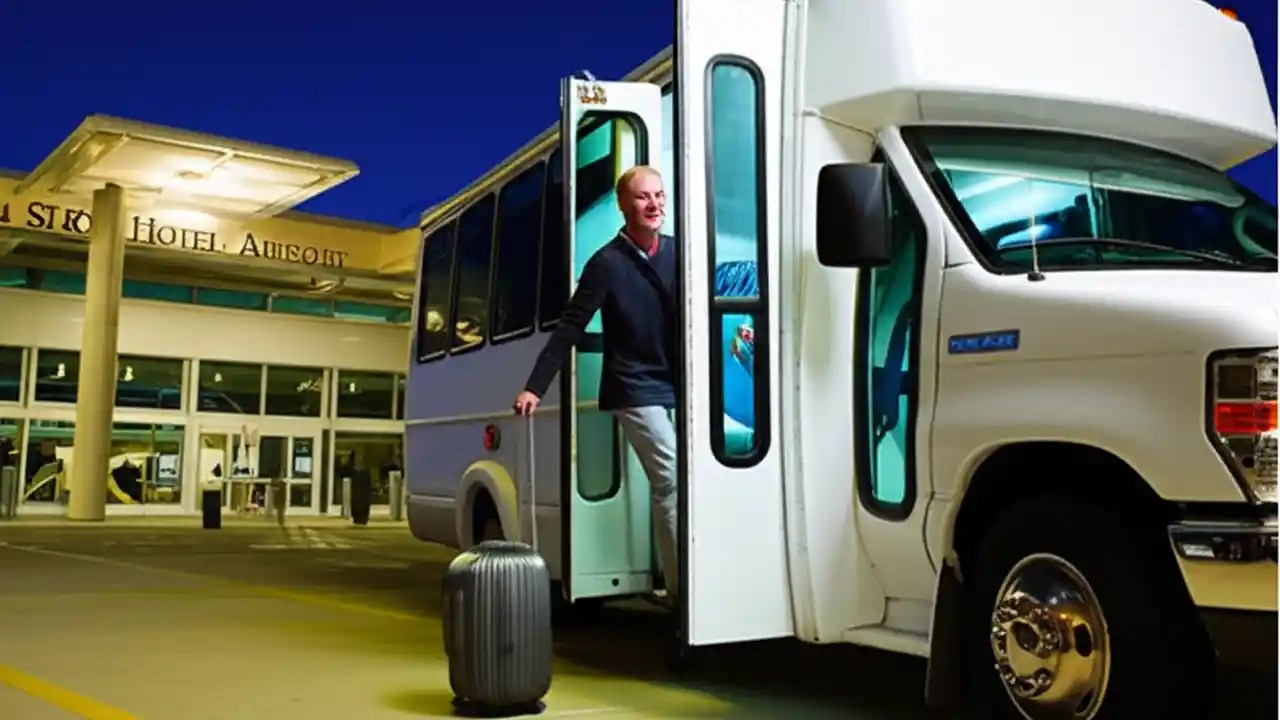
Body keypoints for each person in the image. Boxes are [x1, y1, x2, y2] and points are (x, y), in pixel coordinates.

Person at [513, 164, 680, 605]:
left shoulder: (680, 252)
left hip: (681, 384)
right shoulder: (606, 264)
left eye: (659, 196)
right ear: (624, 205)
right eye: (643, 197)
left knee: (683, 483)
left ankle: (668, 576)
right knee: (672, 481)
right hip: (634, 386)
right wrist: (535, 386)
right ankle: (687, 598)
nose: (654, 204)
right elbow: (570, 327)